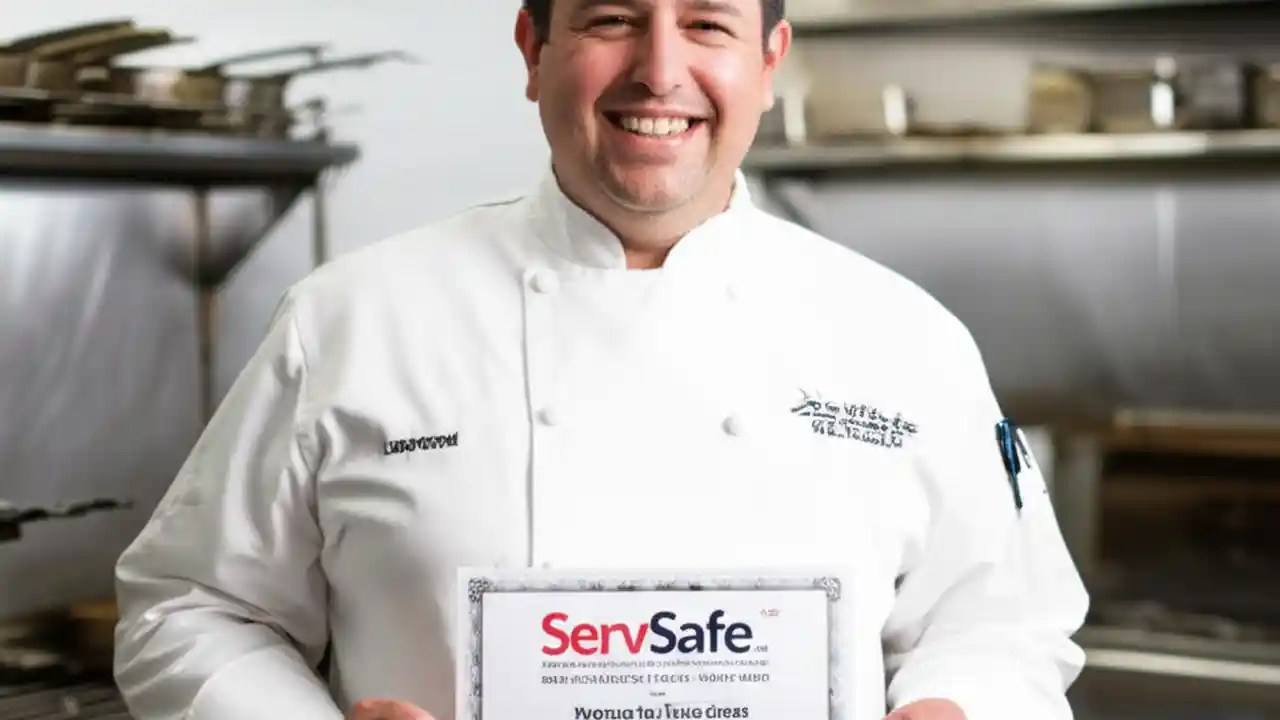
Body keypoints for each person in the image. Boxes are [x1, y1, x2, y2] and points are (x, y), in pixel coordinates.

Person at [112, 0, 1090, 718]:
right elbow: (187, 608)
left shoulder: (903, 336)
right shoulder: (349, 320)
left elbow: (1004, 625)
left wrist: (955, 709)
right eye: (613, 20)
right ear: (533, 50)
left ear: (768, 59)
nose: (658, 71)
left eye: (706, 25)